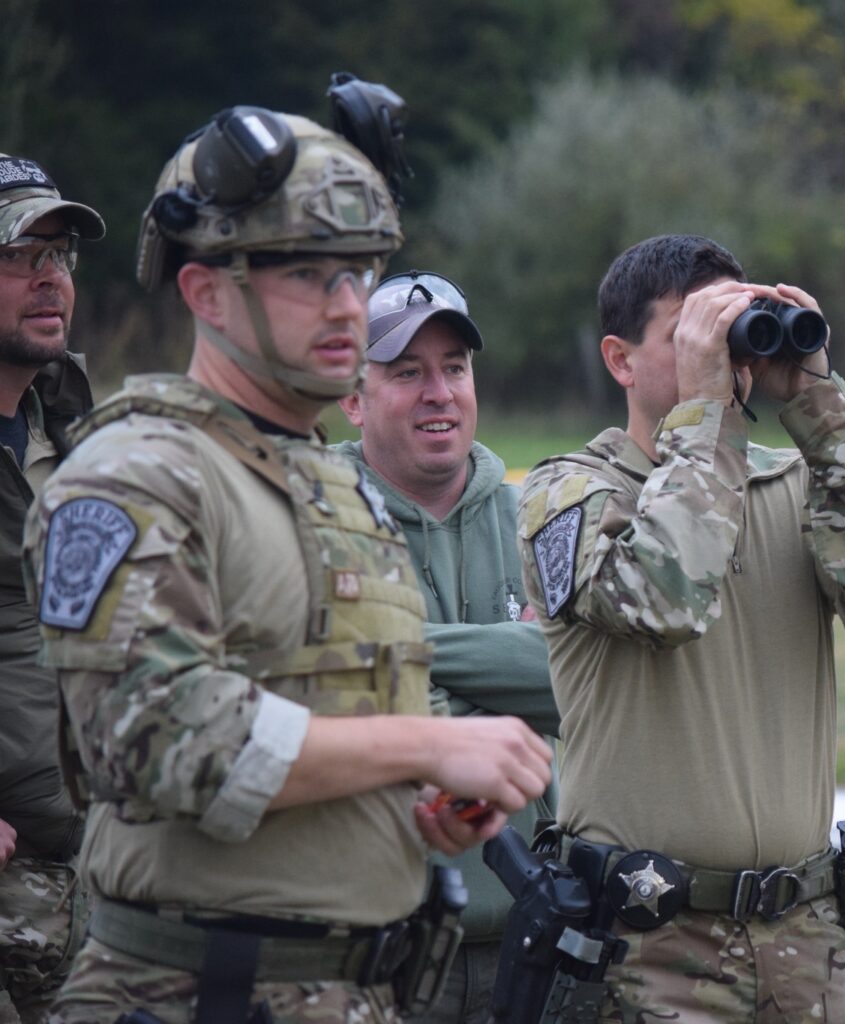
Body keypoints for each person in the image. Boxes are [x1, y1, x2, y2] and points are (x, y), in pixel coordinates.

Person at [23, 104, 552, 1023]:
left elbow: (318, 726)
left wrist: (409, 808)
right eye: (308, 273)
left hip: (348, 987)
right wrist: (429, 743)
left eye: (357, 271)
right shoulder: (139, 475)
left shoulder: (326, 484)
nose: (348, 304)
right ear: (205, 293)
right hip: (198, 992)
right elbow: (153, 740)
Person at [516, 234, 845, 1023]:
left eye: (734, 331)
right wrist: (707, 416)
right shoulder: (570, 494)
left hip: (807, 938)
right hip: (649, 944)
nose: (726, 357)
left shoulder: (791, 485)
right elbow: (664, 599)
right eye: (694, 337)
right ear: (621, 360)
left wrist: (823, 411)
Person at [336, 269, 561, 1023]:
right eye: (407, 372)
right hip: (375, 953)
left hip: (535, 943)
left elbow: (572, 678)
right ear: (352, 398)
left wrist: (398, 644)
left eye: (454, 369)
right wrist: (506, 660)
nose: (439, 391)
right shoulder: (318, 522)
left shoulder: (537, 516)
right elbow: (333, 686)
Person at [0, 155, 104, 1024]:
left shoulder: (71, 421)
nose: (48, 278)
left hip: (92, 863)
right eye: (19, 255)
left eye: (60, 254)